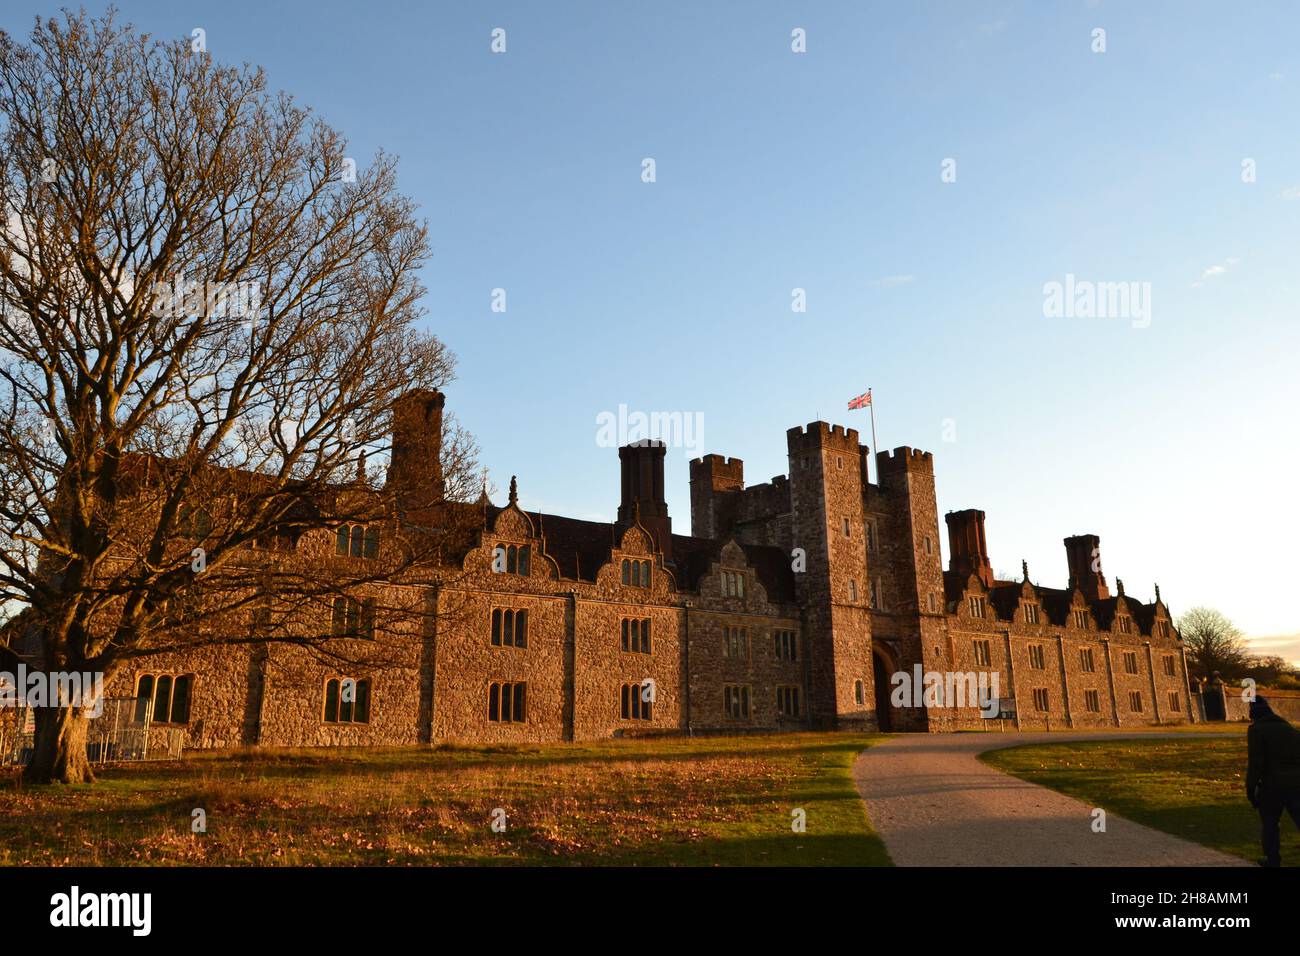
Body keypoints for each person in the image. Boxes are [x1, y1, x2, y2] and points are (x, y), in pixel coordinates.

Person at [1246, 696, 1300, 866]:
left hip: (1272, 786)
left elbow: (1256, 764)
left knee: (1270, 824)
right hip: (1297, 785)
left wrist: (1250, 789)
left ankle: (1273, 859)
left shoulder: (1256, 730)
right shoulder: (1289, 729)